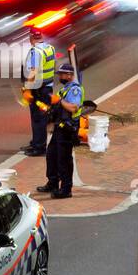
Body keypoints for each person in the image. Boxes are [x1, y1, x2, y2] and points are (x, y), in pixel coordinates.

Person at [36, 63, 84, 200]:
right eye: (60, 74)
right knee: (51, 156)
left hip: (67, 129)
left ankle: (65, 189)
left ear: (69, 75)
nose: (60, 77)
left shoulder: (74, 90)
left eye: (62, 74)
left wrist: (60, 101)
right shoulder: (64, 89)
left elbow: (73, 108)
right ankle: (53, 183)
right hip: (59, 127)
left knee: (64, 159)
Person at [19, 27, 56, 157]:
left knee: (38, 119)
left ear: (31, 38)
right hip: (47, 88)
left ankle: (39, 147)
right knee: (41, 117)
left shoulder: (36, 52)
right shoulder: (50, 48)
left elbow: (33, 72)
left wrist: (27, 88)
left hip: (38, 90)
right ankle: (36, 142)